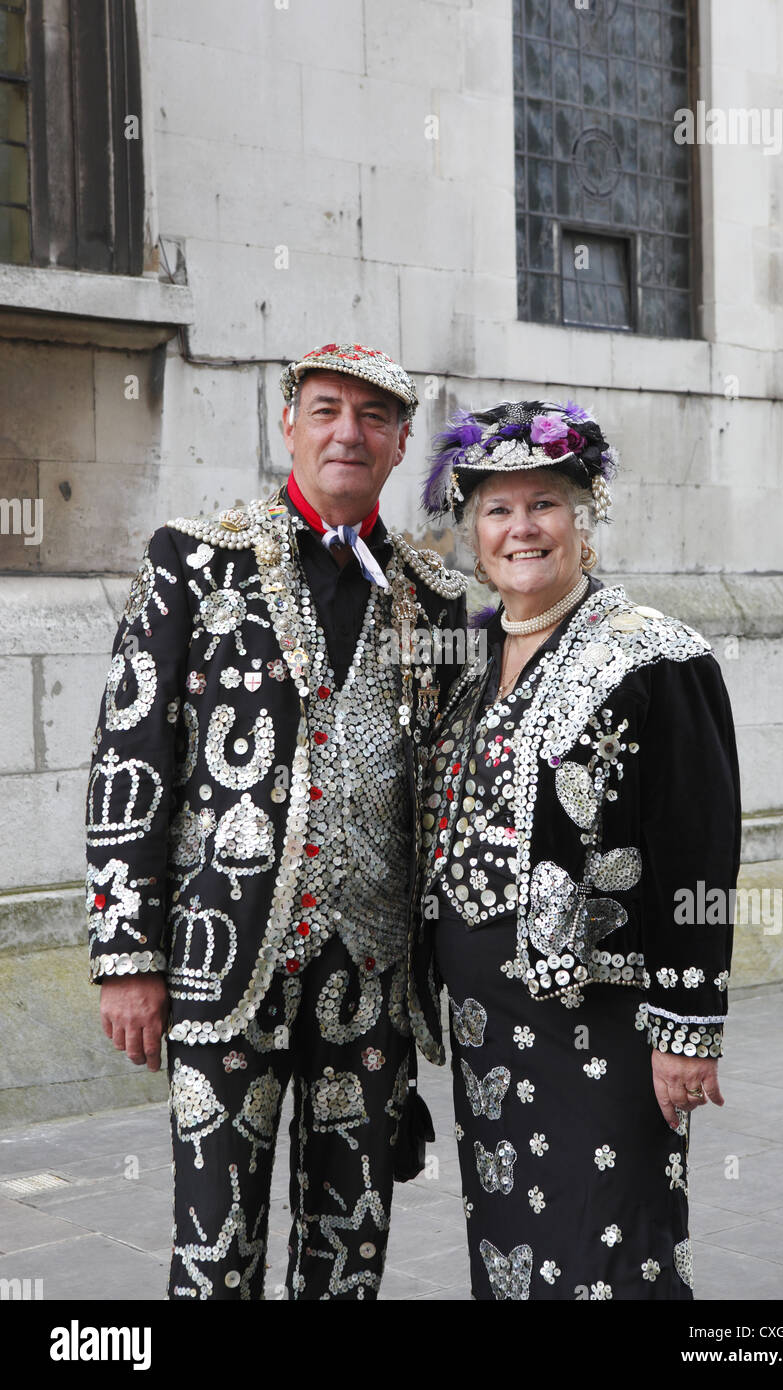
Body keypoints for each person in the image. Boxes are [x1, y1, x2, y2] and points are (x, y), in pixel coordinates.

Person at [85, 342, 467, 1300]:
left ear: (400, 442)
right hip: (225, 963)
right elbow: (130, 754)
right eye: (328, 410)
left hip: (371, 975)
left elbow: (456, 782)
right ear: (288, 423)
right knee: (214, 1246)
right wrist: (126, 956)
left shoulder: (439, 596)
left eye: (374, 417)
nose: (349, 432)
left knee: (351, 1244)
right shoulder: (194, 557)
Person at [409, 398, 741, 1300]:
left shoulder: (655, 658)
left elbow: (699, 856)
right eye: (498, 509)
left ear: (583, 517)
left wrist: (686, 1031)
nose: (522, 528)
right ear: (473, 531)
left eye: (543, 503)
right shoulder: (471, 659)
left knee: (614, 1249)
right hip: (486, 1034)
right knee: (516, 1252)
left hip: (602, 1024)